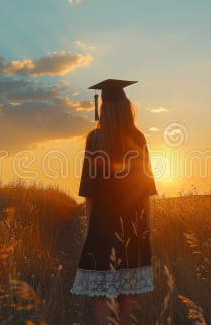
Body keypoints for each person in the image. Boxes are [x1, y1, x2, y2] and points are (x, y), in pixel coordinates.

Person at [71, 79, 158, 325]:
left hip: (102, 225)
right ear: (126, 106)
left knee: (100, 295)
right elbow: (145, 190)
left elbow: (90, 192)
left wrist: (89, 228)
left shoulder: (95, 139)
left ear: (104, 109)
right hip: (133, 225)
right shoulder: (138, 138)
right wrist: (147, 228)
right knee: (128, 294)